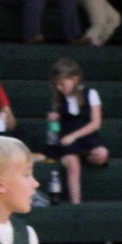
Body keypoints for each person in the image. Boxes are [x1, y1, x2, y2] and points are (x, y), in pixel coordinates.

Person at [47, 58, 108, 204]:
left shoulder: (90, 93)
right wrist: (53, 123)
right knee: (73, 165)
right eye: (57, 84)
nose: (60, 88)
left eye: (63, 83)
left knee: (102, 154)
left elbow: (96, 123)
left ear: (74, 79)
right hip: (66, 141)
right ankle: (76, 203)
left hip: (86, 137)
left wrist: (74, 136)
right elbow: (54, 131)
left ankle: (85, 157)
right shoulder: (59, 100)